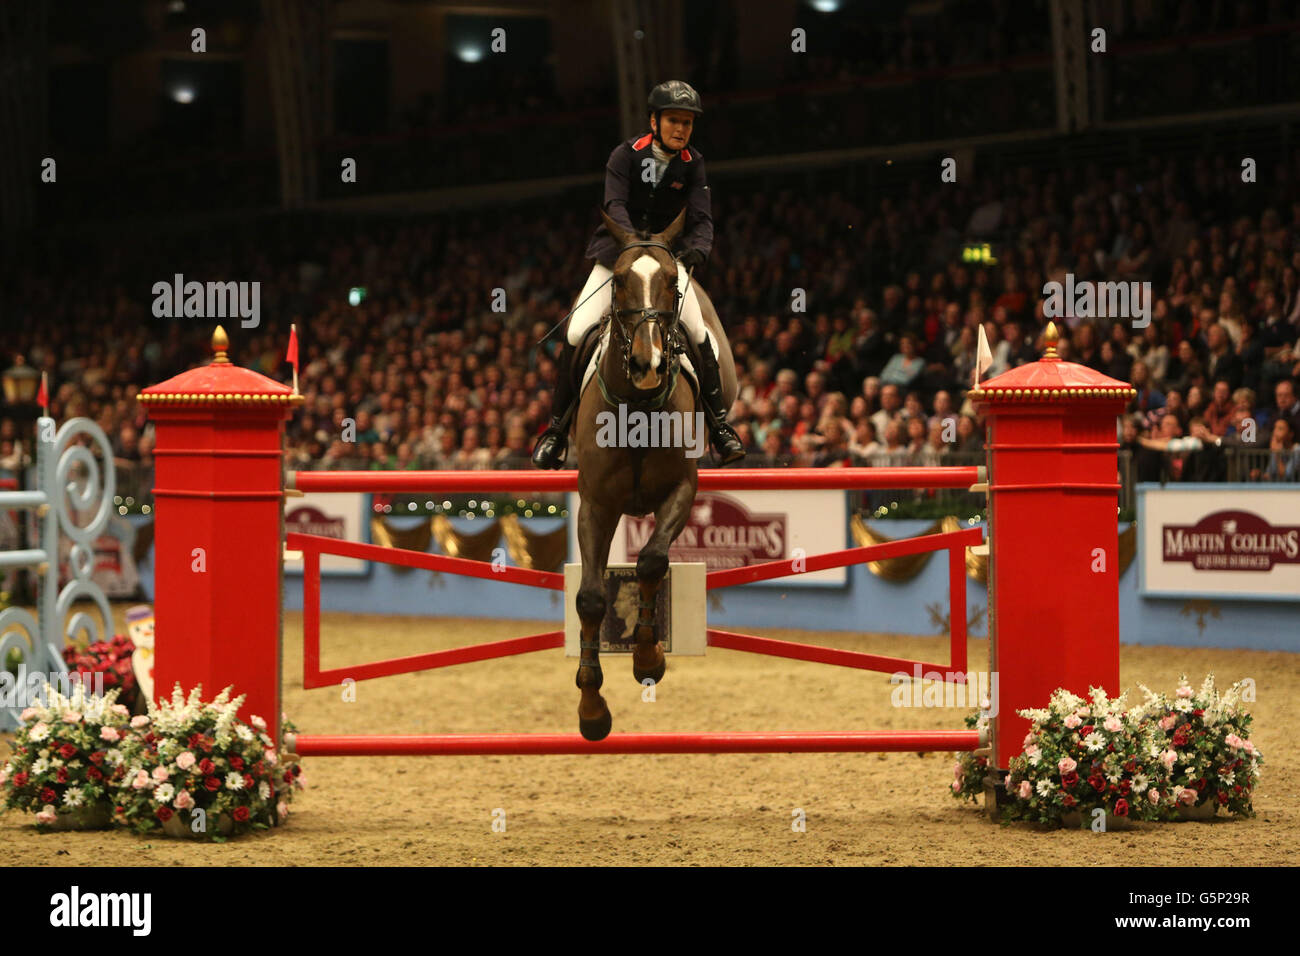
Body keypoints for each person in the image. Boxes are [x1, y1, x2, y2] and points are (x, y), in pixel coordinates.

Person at [532, 80, 744, 468]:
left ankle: (719, 427)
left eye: (687, 123)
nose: (681, 129)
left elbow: (701, 218)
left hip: (665, 260)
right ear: (654, 120)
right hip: (617, 257)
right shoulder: (624, 156)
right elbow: (614, 205)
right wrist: (634, 247)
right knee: (577, 329)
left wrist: (699, 247)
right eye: (674, 121)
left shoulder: (693, 163)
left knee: (698, 332)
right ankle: (556, 431)